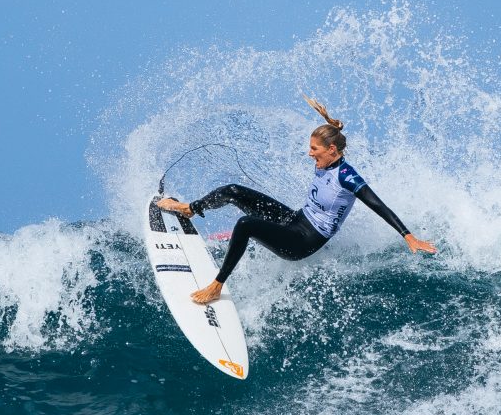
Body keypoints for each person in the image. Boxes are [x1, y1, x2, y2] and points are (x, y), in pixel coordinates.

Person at [158, 97, 438, 304]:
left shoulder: (348, 176)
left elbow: (378, 205)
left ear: (331, 151)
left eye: (314, 149)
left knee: (245, 225)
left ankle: (217, 286)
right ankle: (191, 209)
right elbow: (334, 135)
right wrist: (331, 122)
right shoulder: (327, 157)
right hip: (296, 220)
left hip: (304, 242)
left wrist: (408, 236)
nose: (309, 154)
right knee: (233, 190)